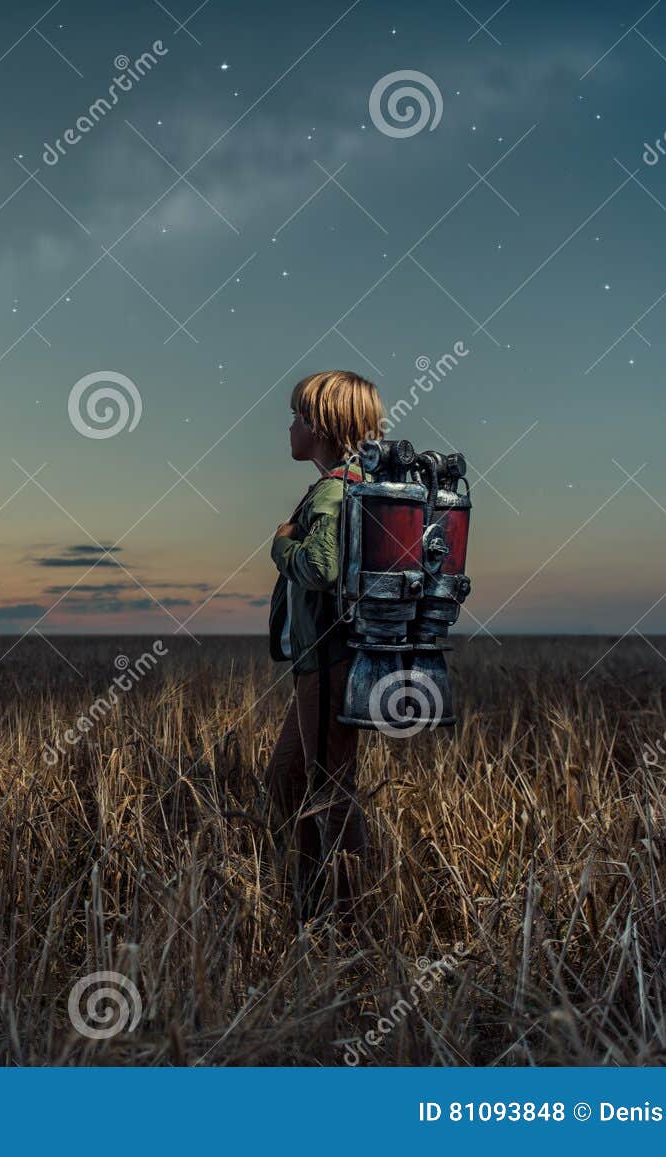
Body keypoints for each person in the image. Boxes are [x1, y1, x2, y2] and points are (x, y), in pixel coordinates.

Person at [265, 370, 384, 922]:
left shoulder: (337, 490)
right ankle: (308, 899)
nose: (288, 426)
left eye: (296, 416)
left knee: (329, 789)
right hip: (320, 663)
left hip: (333, 662)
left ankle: (352, 921)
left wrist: (280, 546)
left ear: (318, 424)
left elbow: (319, 565)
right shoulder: (339, 485)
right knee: (289, 777)